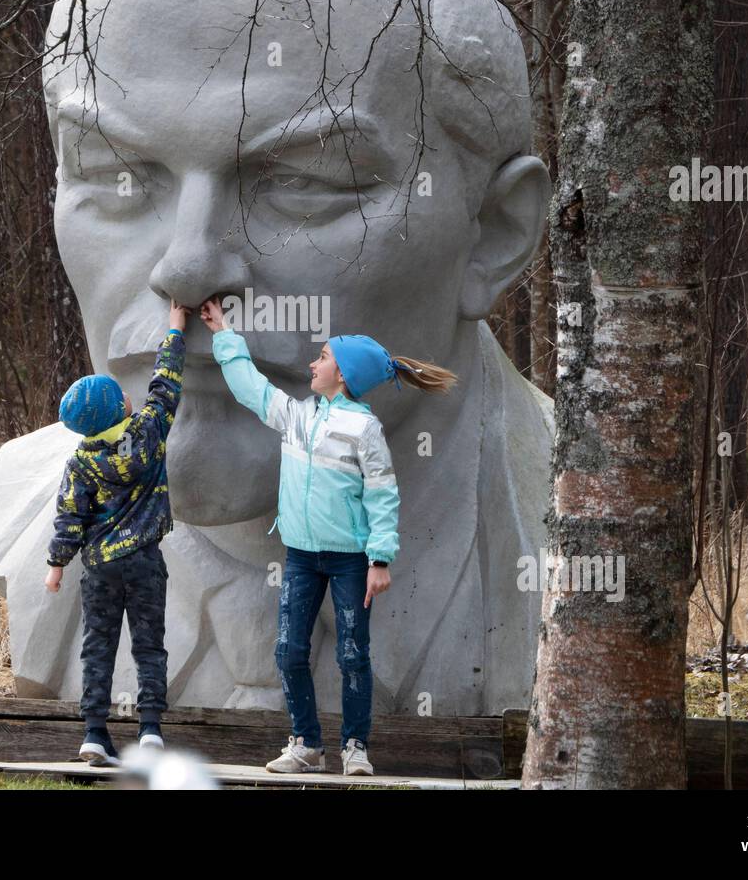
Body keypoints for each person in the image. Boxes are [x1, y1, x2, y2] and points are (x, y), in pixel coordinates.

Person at [198, 294, 457, 776]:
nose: (311, 363)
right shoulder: (297, 416)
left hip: (351, 562)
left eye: (322, 358)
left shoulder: (365, 430)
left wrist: (379, 560)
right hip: (300, 557)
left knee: (353, 653)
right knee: (289, 650)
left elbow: (383, 496)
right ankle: (306, 744)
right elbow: (251, 387)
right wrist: (222, 333)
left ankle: (355, 748)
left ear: (343, 376)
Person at [44, 298, 191, 766]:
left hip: (100, 566)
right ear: (119, 407)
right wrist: (175, 329)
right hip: (145, 561)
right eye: (118, 395)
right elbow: (166, 384)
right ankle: (150, 729)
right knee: (150, 644)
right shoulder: (148, 430)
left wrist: (55, 565)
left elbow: (69, 516)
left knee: (98, 645)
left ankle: (94, 732)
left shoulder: (82, 463)